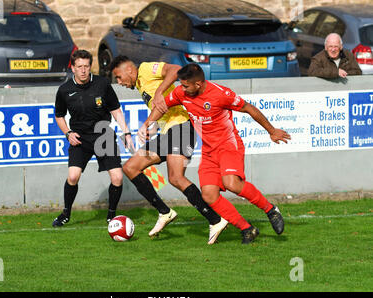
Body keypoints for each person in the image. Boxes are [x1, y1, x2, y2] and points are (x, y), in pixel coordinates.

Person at [139, 63, 290, 244]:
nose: (182, 89)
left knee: (232, 183)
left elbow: (249, 108)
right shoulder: (181, 92)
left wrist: (271, 131)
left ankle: (271, 210)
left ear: (199, 84)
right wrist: (147, 123)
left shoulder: (221, 94)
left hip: (228, 145)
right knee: (209, 195)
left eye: (186, 85)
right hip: (209, 151)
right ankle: (247, 229)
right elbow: (163, 105)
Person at [110, 56, 228, 244]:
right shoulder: (140, 83)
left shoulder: (146, 68)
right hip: (168, 132)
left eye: (118, 77)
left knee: (175, 177)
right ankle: (164, 212)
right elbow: (163, 108)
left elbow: (176, 69)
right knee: (131, 167)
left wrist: (159, 91)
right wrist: (152, 126)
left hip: (182, 126)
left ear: (129, 71)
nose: (119, 82)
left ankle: (216, 220)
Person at [52, 50, 134, 226]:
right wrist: (67, 133)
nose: (83, 70)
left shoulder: (102, 84)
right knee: (73, 177)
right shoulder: (64, 90)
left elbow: (115, 110)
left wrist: (126, 132)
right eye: (79, 67)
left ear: (90, 67)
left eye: (86, 66)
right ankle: (66, 213)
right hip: (80, 139)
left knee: (117, 178)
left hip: (103, 135)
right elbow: (59, 115)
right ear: (72, 68)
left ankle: (111, 216)